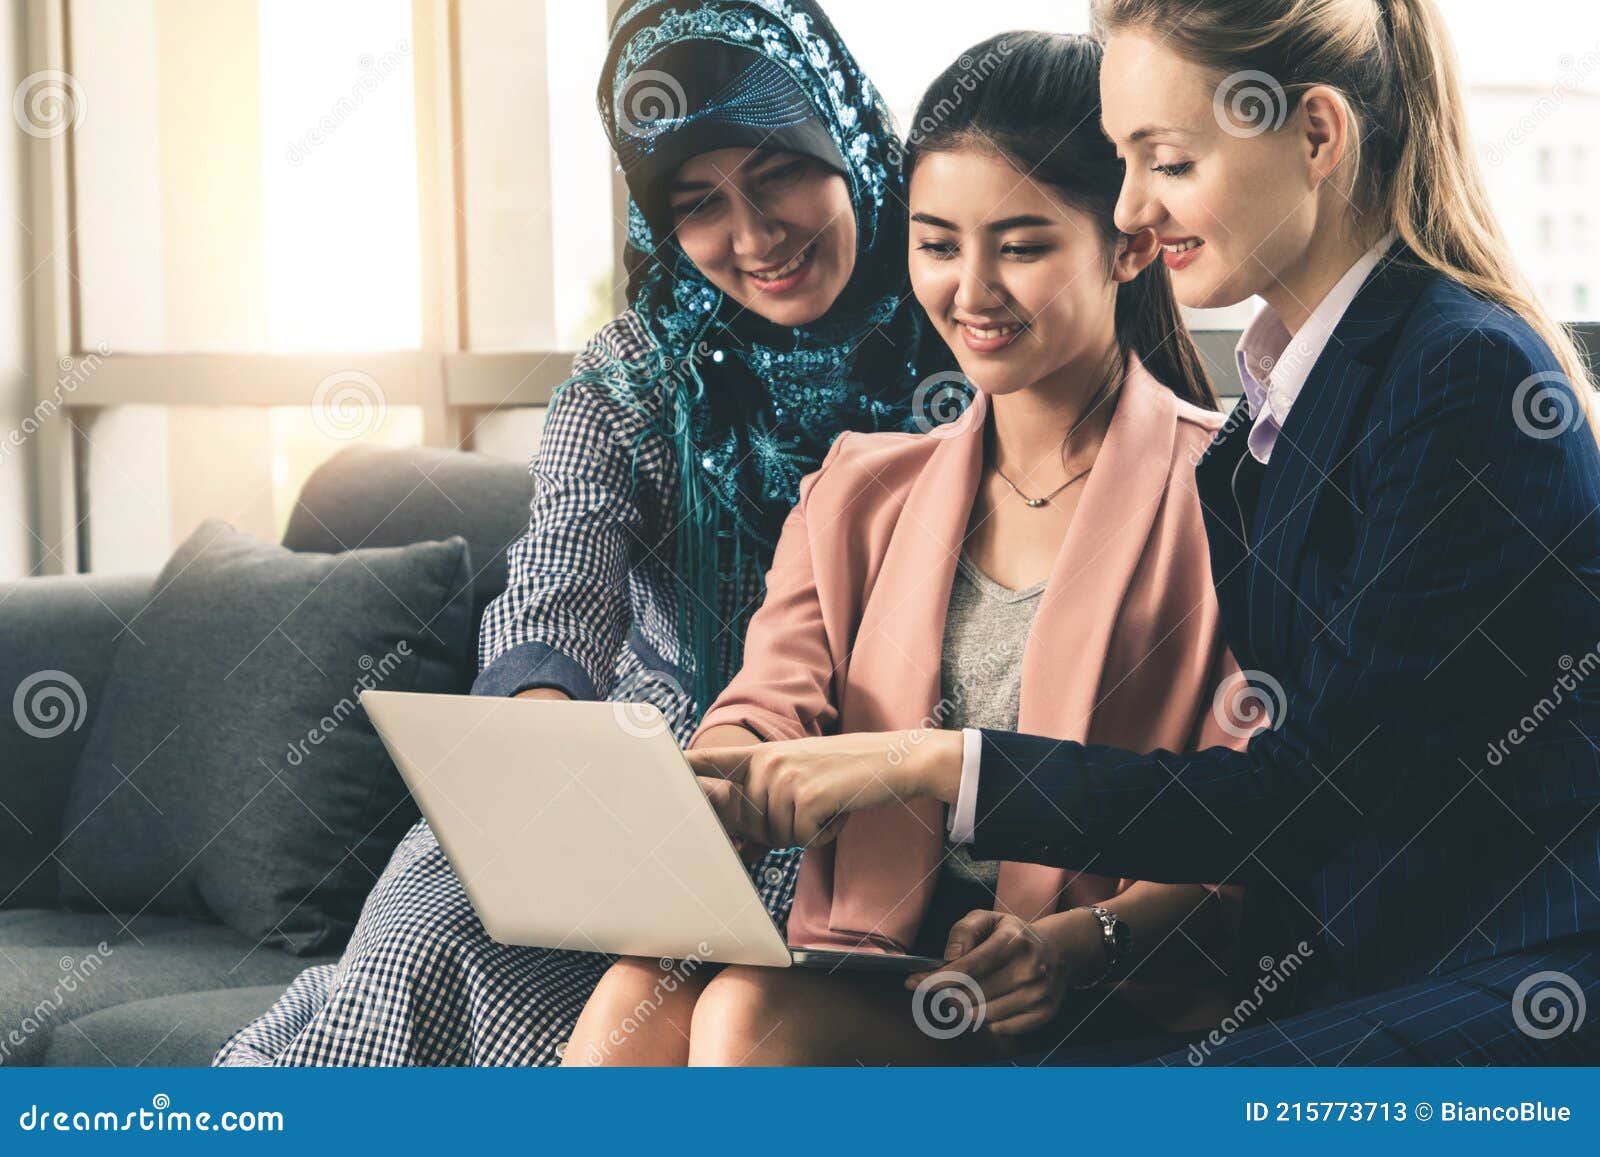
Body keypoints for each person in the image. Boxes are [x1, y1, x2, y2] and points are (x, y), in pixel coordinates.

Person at [688, 0, 1600, 1066]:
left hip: (1496, 979)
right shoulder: (1299, 399)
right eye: (1122, 161)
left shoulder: (1456, 376)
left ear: (1316, 134)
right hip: (1353, 967)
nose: (1131, 207)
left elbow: (1300, 792)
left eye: (1165, 162)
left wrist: (939, 764)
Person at [213, 0, 943, 1067]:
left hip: (851, 800)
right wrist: (550, 752)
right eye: (697, 201)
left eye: (776, 170)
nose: (752, 236)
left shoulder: (965, 334)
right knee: (422, 933)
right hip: (636, 800)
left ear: (837, 130)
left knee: (677, 1011)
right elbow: (555, 588)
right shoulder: (632, 378)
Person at [563, 32, 1256, 1067]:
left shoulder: (1236, 492)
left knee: (745, 1018)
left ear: (1127, 244)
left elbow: (1258, 823)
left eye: (1020, 246)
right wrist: (716, 782)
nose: (971, 291)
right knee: (638, 991)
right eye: (936, 244)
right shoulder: (858, 488)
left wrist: (1070, 941)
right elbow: (767, 704)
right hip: (881, 959)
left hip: (1097, 986)